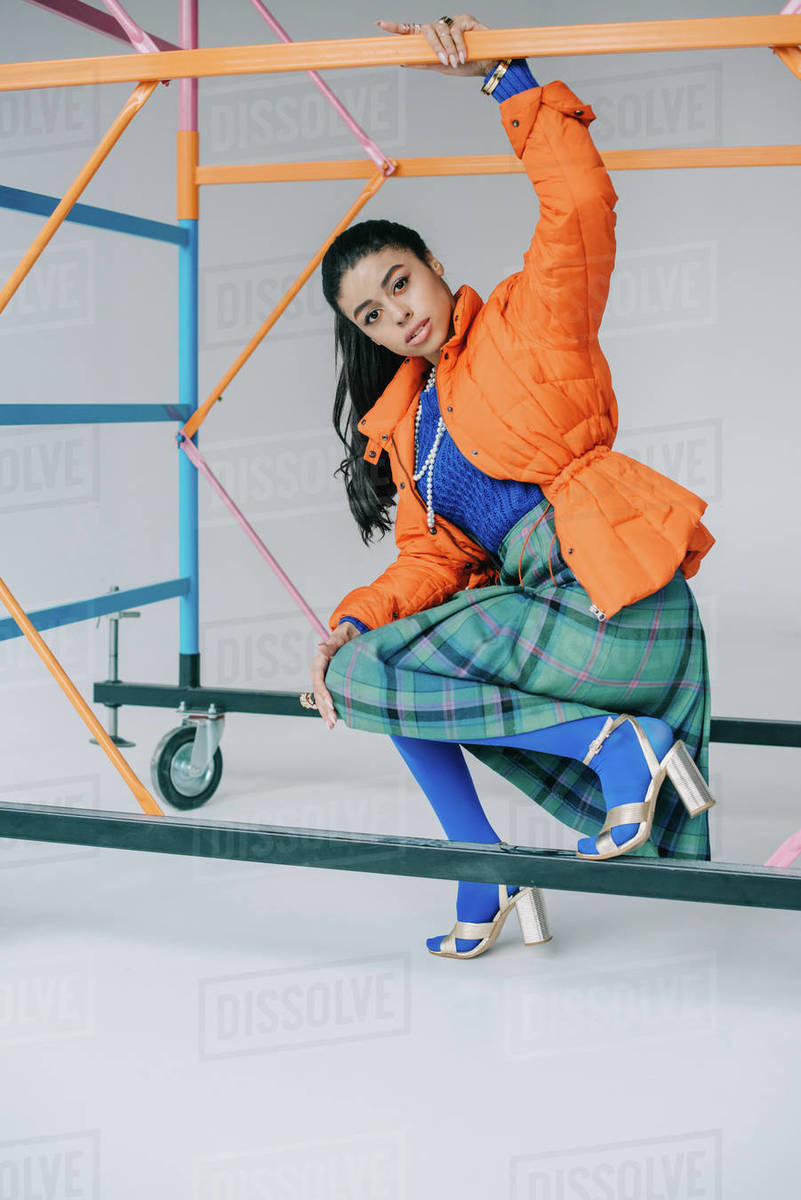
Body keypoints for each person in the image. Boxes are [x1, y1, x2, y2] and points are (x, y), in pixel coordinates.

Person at [306, 14, 717, 959]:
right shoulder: (409, 431)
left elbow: (578, 205)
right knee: (368, 668)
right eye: (372, 314)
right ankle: (485, 863)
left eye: (400, 285)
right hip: (543, 617)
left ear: (435, 268)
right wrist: (355, 619)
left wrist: (507, 81)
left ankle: (617, 749)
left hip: (615, 601)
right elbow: (431, 557)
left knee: (396, 677)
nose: (396, 315)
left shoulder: (532, 322)